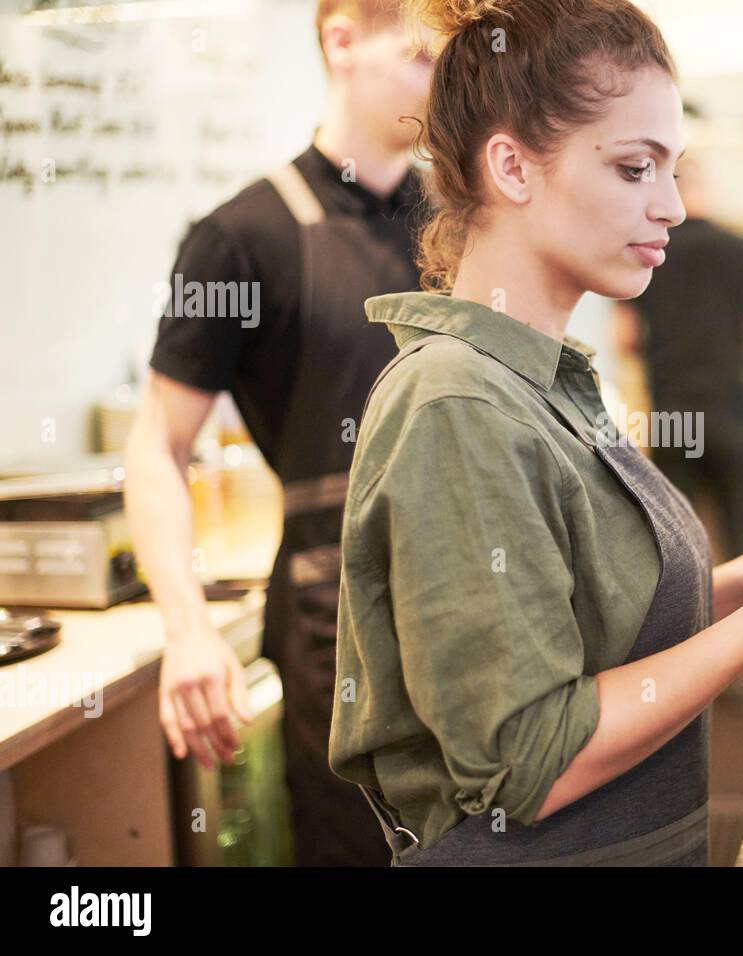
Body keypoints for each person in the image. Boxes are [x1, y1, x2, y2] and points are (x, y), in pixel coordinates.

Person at [328, 0, 743, 867]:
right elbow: (529, 759)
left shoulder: (549, 379)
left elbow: (598, 639)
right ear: (512, 166)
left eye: (673, 170)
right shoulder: (458, 407)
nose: (674, 207)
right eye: (633, 169)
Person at [124, 0, 433, 866]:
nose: (441, 81)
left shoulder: (456, 223)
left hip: (470, 589)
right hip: (334, 615)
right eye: (419, 57)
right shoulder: (236, 239)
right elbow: (156, 446)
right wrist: (186, 629)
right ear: (341, 42)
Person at [613, 148, 743, 560]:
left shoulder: (647, 252)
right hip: (729, 412)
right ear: (707, 189)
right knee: (740, 544)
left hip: (672, 418)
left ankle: (692, 626)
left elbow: (626, 339)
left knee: (677, 550)